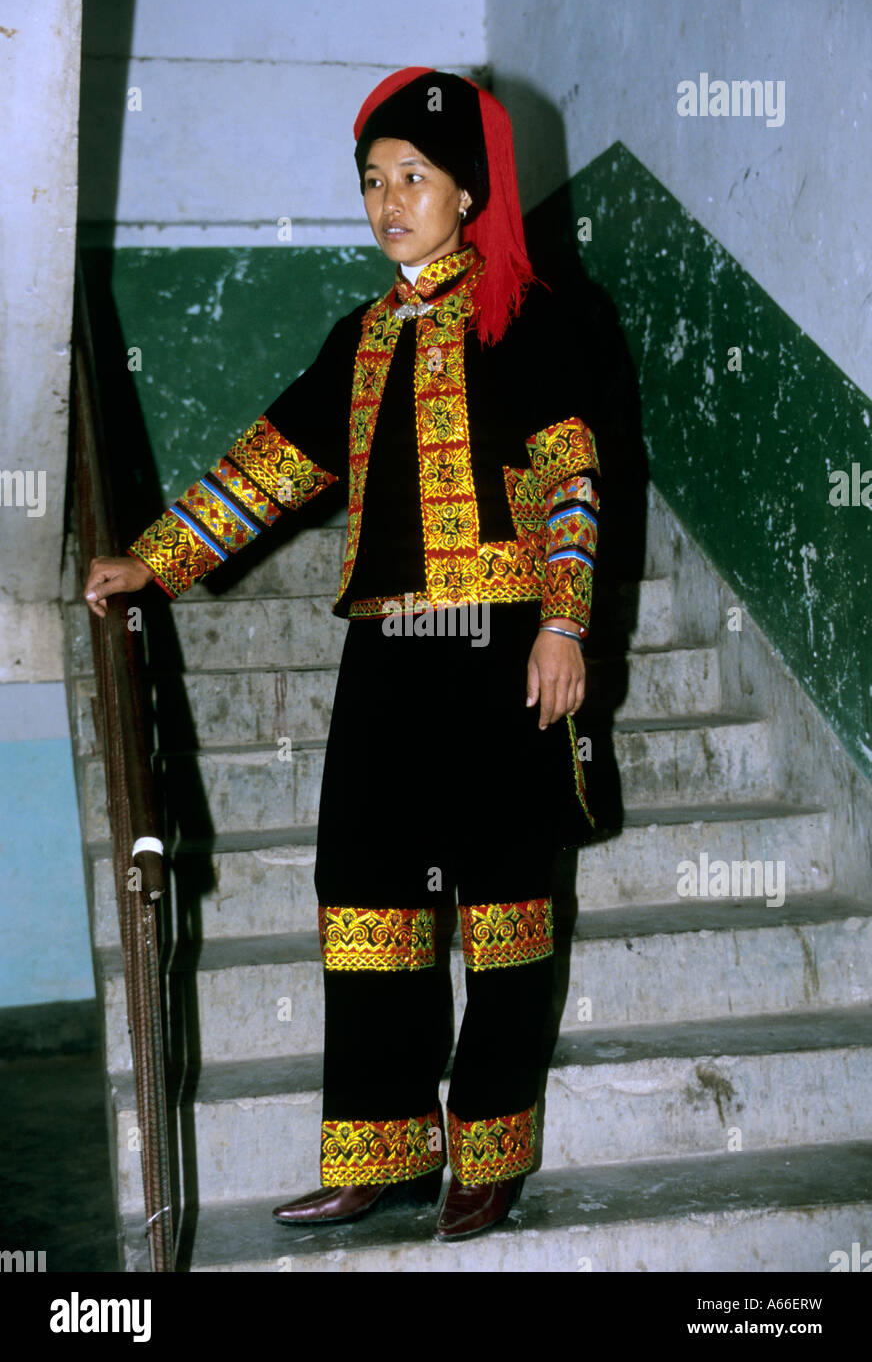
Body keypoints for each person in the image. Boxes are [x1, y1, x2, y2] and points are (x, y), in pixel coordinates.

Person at [83, 66, 602, 1244]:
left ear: (466, 191)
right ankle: (380, 1148)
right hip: (386, 660)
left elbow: (573, 480)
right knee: (367, 904)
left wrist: (563, 624)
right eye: (371, 181)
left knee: (508, 911)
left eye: (411, 178)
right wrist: (152, 560)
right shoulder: (360, 339)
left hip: (503, 649)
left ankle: (487, 1152)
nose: (387, 202)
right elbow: (266, 468)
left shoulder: (528, 313)